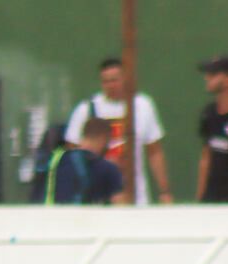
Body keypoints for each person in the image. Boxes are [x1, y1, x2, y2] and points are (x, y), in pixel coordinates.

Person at [63, 57, 172, 205]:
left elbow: (155, 152)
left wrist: (164, 191)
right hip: (96, 200)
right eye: (106, 81)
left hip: (137, 198)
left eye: (115, 80)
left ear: (125, 78)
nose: (110, 85)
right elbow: (71, 152)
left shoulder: (143, 105)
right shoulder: (86, 109)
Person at [39, 117, 124, 205]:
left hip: (56, 217)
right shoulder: (108, 169)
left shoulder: (56, 162)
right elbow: (119, 206)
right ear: (103, 138)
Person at [196, 55, 228, 202]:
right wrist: (200, 197)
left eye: (214, 74)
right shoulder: (209, 114)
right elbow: (206, 157)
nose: (207, 78)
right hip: (212, 199)